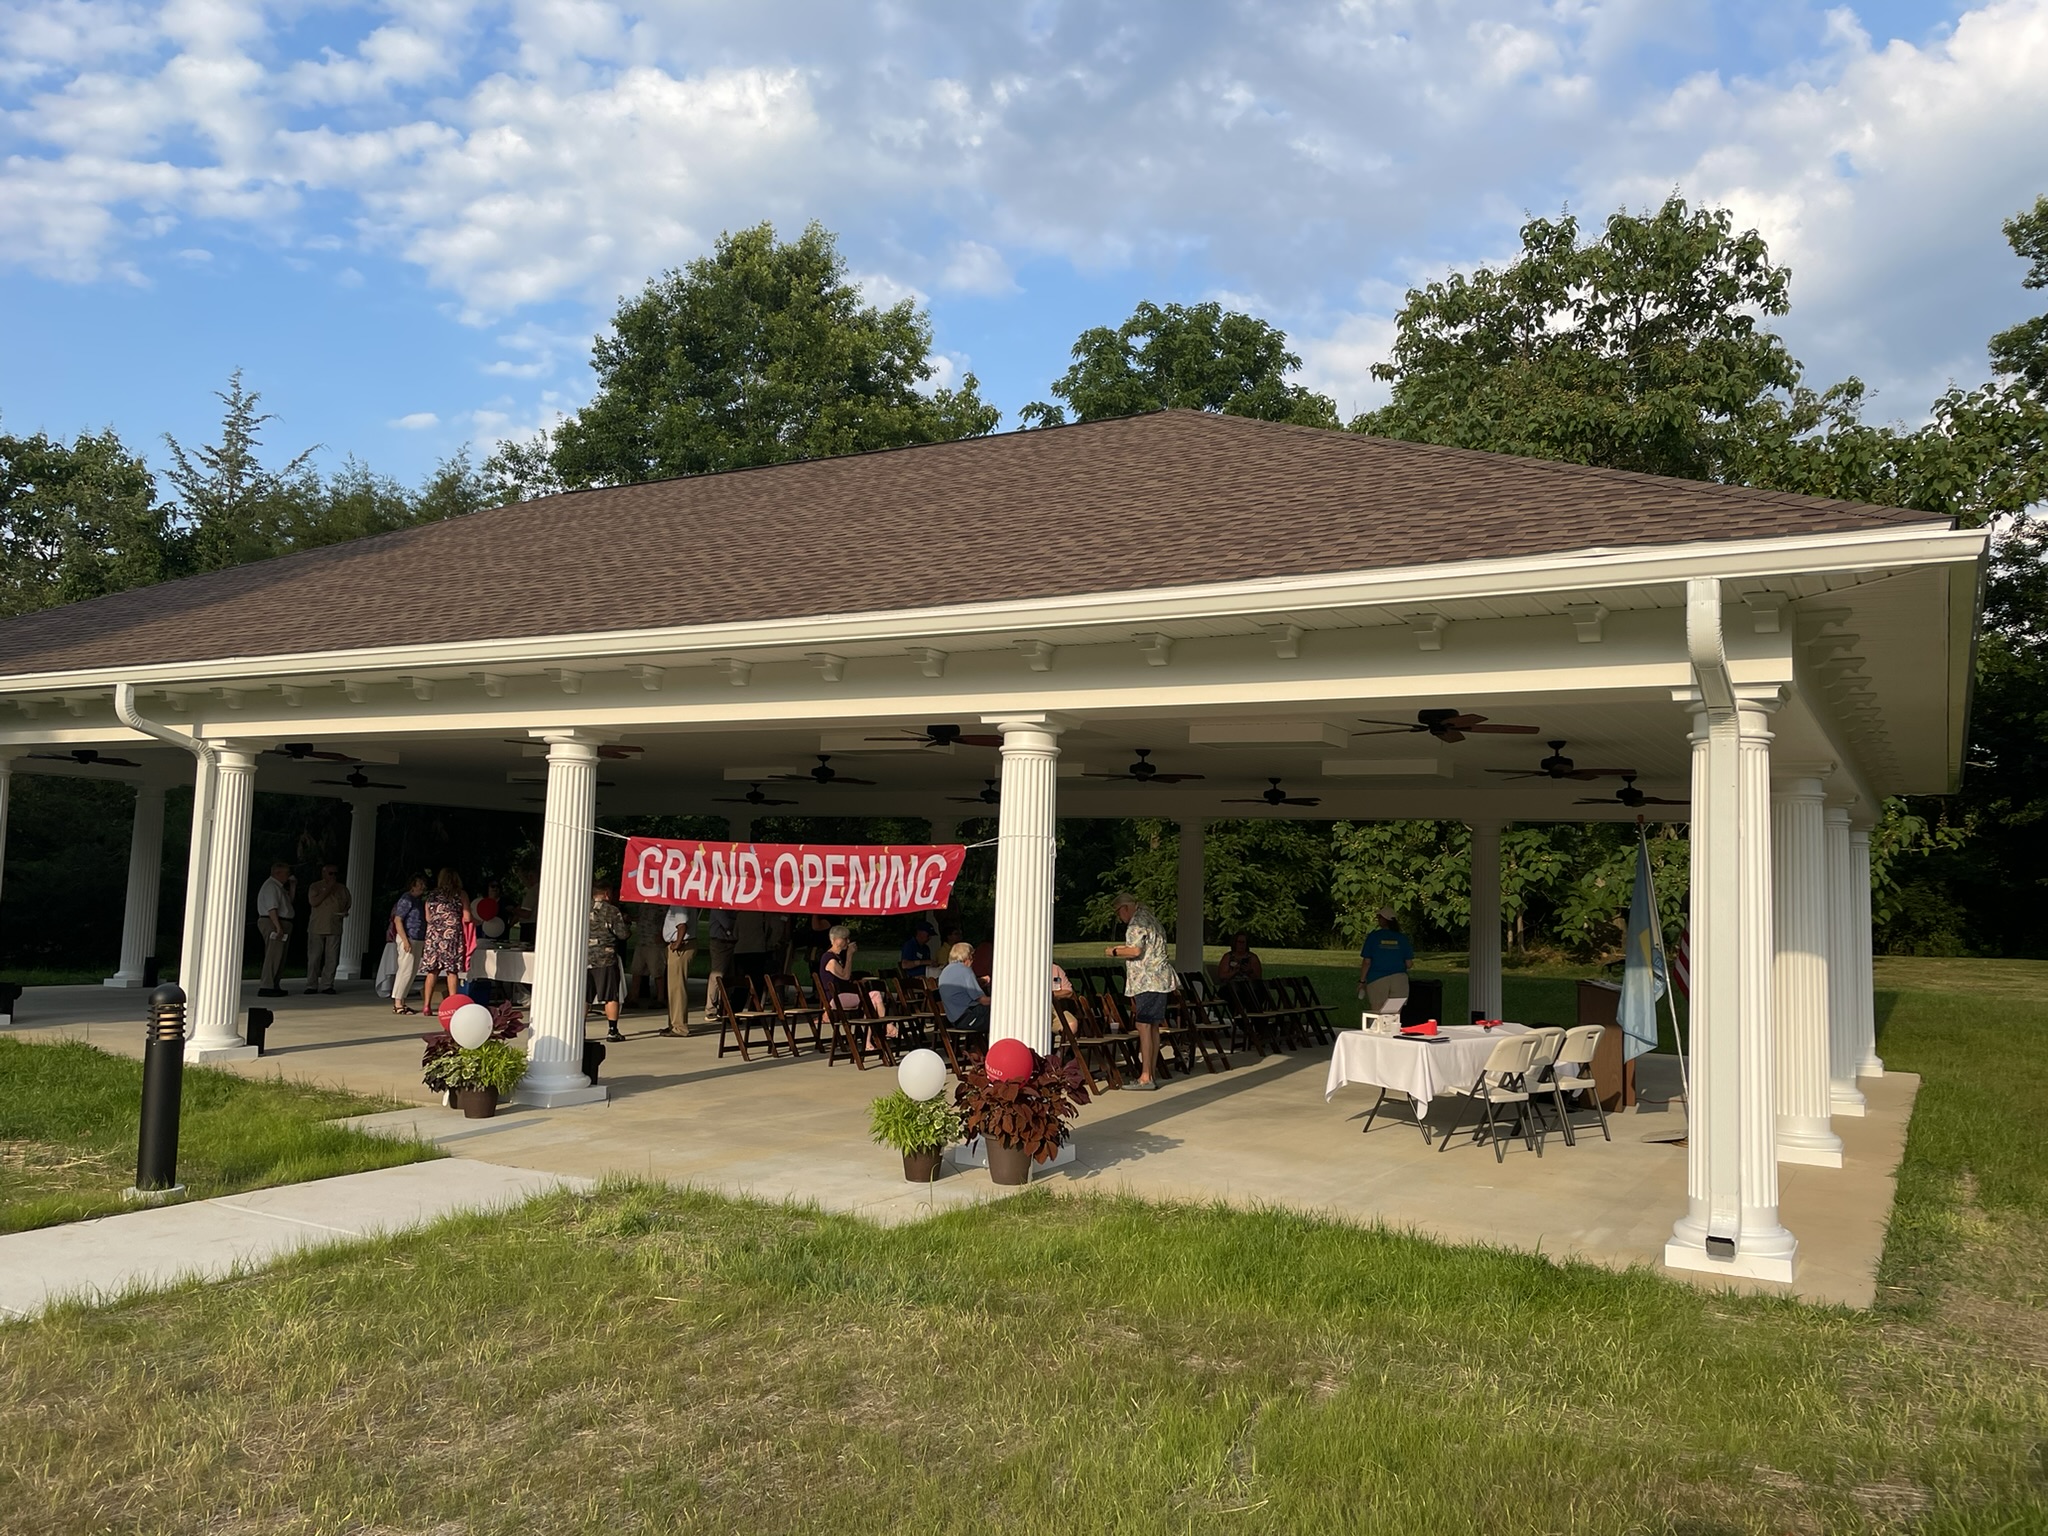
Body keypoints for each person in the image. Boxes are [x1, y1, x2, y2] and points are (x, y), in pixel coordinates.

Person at [1105, 890, 1175, 1090]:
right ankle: (1150, 1073)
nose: (1120, 917)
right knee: (1152, 1026)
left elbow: (1136, 950)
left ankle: (1145, 1076)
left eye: (1119, 912)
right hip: (1161, 980)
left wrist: (1114, 951)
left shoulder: (1136, 923)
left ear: (1125, 908)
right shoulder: (1150, 918)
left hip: (1148, 981)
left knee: (1143, 1025)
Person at [419, 868, 468, 1018]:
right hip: (451, 936)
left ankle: (427, 1005)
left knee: (432, 971)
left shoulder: (432, 895)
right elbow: (467, 917)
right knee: (451, 971)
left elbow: (428, 917)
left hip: (434, 936)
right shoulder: (460, 894)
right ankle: (452, 1006)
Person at [589, 882, 632, 1042]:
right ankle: (612, 1030)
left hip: (585, 958)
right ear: (607, 893)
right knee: (610, 996)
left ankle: (580, 1030)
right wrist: (627, 926)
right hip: (605, 958)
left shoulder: (581, 908)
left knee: (585, 997)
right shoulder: (612, 911)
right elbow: (622, 934)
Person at [303, 863, 351, 995]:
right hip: (317, 927)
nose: (333, 876)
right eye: (330, 873)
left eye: (336, 873)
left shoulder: (342, 888)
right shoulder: (315, 886)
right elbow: (314, 902)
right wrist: (328, 888)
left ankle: (327, 985)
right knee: (314, 957)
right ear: (323, 873)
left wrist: (344, 912)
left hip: (335, 926)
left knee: (332, 958)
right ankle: (311, 984)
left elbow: (347, 904)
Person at [1358, 906, 1416, 1013]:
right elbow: (1409, 964)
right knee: (1395, 1014)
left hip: (1377, 979)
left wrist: (1362, 981)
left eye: (1379, 917)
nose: (1378, 919)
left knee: (1377, 1012)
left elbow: (1367, 962)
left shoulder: (1373, 937)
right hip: (1399, 979)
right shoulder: (1402, 938)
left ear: (1384, 919)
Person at [254, 861, 296, 998]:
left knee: (279, 955)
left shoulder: (279, 887)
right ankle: (267, 985)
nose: (288, 876)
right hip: (273, 921)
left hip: (281, 921)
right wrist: (278, 927)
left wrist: (293, 886)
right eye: (286, 873)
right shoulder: (271, 886)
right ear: (278, 873)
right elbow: (272, 908)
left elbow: (288, 902)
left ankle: (274, 984)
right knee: (273, 954)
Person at [388, 874, 428, 1015]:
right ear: (412, 885)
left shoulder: (418, 900)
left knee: (411, 971)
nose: (422, 886)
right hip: (409, 937)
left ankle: (402, 1001)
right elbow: (398, 920)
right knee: (405, 970)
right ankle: (398, 1003)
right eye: (419, 884)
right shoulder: (407, 899)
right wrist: (405, 940)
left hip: (417, 938)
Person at [937, 941, 991, 1037]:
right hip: (969, 1017)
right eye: (973, 956)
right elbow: (983, 1001)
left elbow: (961, 988)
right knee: (1002, 1015)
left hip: (955, 1019)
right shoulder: (965, 971)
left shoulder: (946, 971)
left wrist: (979, 981)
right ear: (968, 957)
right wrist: (1002, 1001)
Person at [660, 904, 695, 1036]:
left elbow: (682, 925)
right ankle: (673, 1024)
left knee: (677, 989)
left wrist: (677, 943)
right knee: (673, 988)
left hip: (681, 947)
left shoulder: (679, 903)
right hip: (681, 945)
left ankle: (679, 1027)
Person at [626, 902, 666, 1009]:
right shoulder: (642, 904)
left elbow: (666, 919)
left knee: (657, 971)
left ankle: (660, 998)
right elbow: (641, 918)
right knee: (636, 970)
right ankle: (633, 997)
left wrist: (662, 935)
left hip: (654, 942)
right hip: (641, 940)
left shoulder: (660, 905)